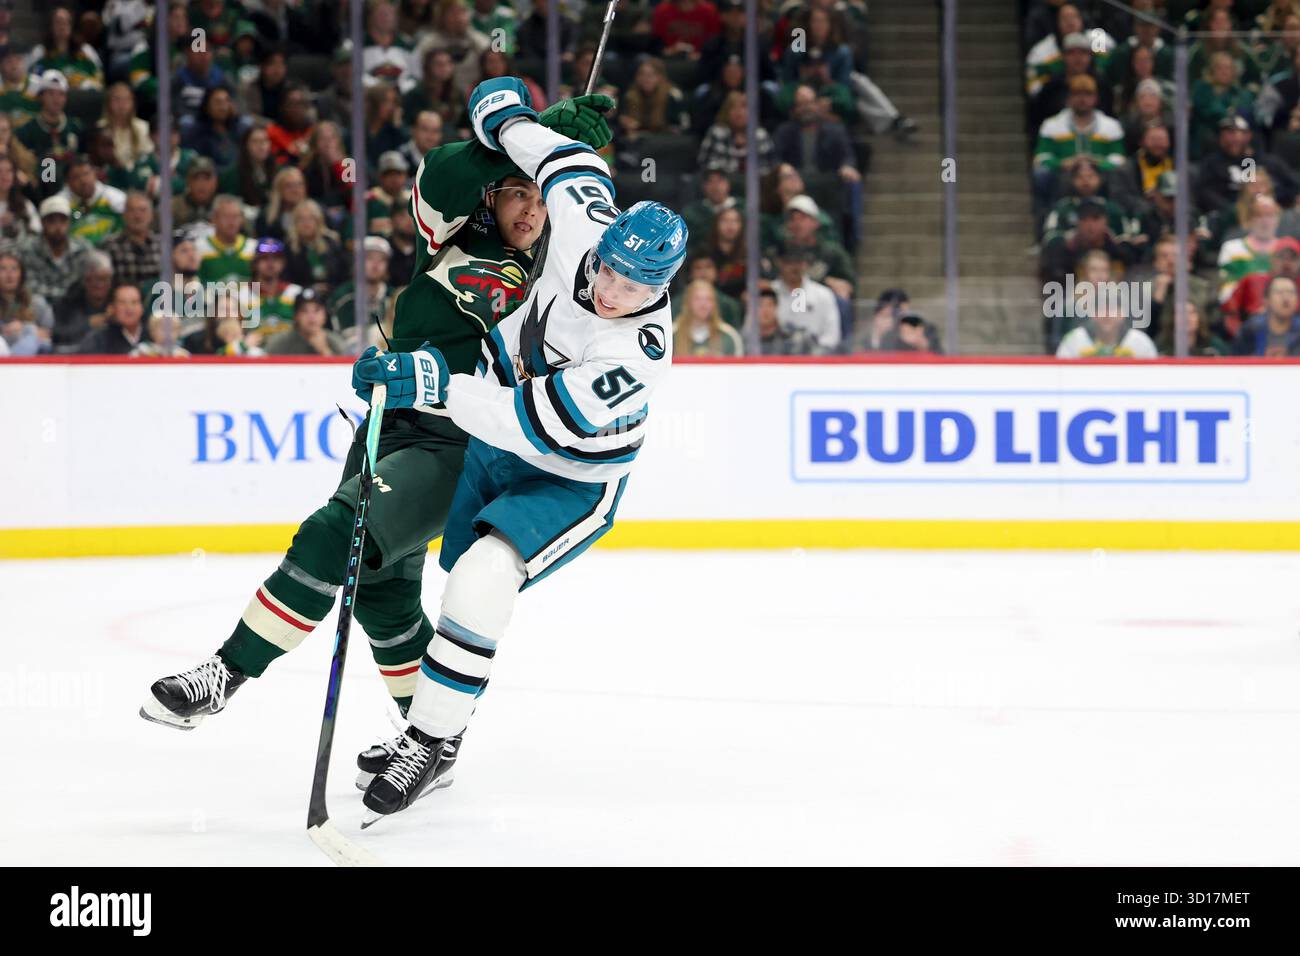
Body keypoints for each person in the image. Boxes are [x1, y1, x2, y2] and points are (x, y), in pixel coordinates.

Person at [138, 92, 615, 801]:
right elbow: (442, 171)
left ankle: (225, 674)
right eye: (518, 193)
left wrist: (561, 163)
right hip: (386, 421)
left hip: (460, 441)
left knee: (339, 531)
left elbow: (591, 248)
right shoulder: (452, 231)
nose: (529, 211)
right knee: (382, 593)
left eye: (539, 201)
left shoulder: (557, 277)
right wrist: (524, 138)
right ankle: (431, 739)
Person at [323, 78, 687, 823]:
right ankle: (435, 723)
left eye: (636, 284)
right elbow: (552, 155)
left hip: (568, 473)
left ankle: (429, 741)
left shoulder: (639, 353)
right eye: (611, 269)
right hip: (496, 432)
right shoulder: (587, 214)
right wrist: (503, 115)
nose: (613, 289)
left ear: (665, 285)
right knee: (417, 562)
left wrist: (434, 380)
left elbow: (528, 423)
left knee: (483, 578)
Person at [1055, 303, 1158, 358]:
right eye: (1101, 308)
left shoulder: (1140, 341)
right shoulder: (1074, 339)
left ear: (1123, 313)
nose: (1106, 314)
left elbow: (1154, 377)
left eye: (1113, 308)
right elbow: (1060, 376)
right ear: (1092, 313)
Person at [1232, 273, 1300, 355]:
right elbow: (1236, 362)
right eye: (1279, 292)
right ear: (1266, 300)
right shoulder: (1250, 329)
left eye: (1291, 292)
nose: (1286, 298)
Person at [673, 279, 743, 356]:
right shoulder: (671, 335)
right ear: (687, 303)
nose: (703, 304)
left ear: (714, 304)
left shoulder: (729, 336)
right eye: (697, 299)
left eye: (708, 299)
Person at [77, 281, 147, 354]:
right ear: (112, 308)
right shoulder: (97, 340)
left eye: (134, 302)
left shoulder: (154, 335)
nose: (129, 308)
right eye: (122, 302)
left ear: (142, 307)